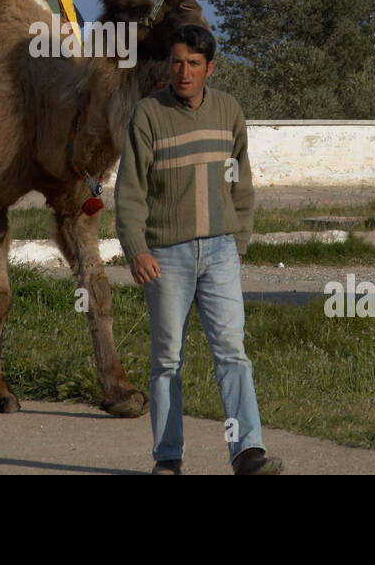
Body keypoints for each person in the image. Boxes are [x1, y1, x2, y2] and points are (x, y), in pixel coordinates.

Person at [114, 24, 283, 475]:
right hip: (165, 257)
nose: (184, 72)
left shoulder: (229, 110)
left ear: (210, 67)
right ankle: (168, 458)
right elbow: (129, 190)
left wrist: (239, 242)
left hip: (222, 253)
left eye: (193, 64)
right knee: (167, 361)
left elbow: (240, 182)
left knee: (232, 352)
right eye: (176, 62)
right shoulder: (148, 114)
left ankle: (248, 452)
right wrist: (136, 249)